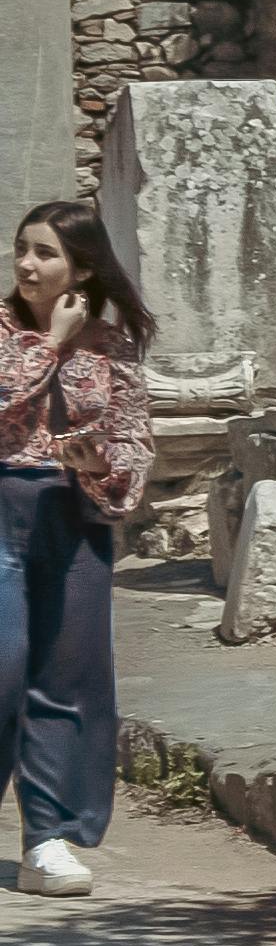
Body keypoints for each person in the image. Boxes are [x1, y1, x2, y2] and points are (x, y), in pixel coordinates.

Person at [0, 197, 153, 901]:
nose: (27, 264)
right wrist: (50, 346)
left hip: (73, 518)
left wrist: (101, 467)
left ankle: (47, 840)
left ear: (82, 268)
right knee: (3, 665)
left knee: (67, 680)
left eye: (45, 253)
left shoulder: (113, 346)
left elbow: (134, 440)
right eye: (21, 249)